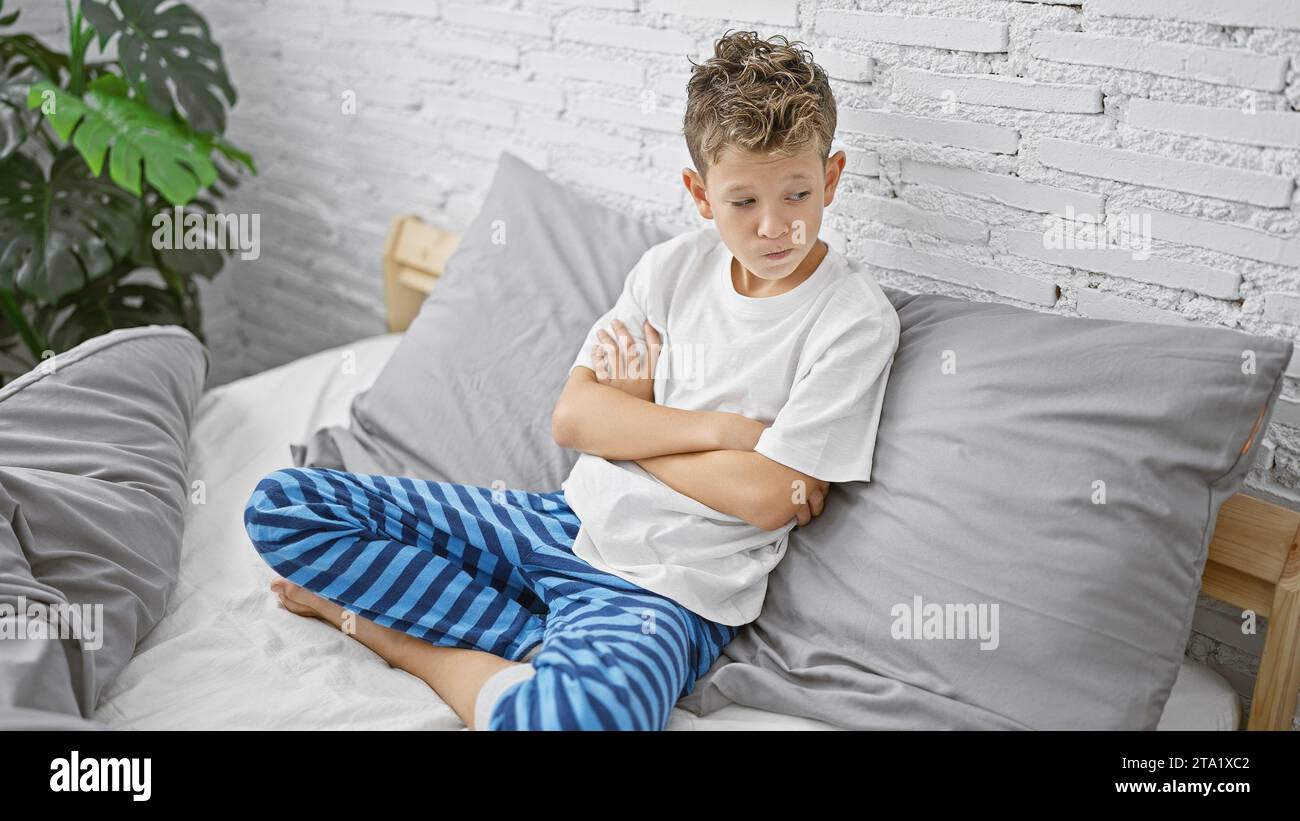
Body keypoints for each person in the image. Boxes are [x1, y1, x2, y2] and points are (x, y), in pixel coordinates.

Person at [243, 29, 901, 731]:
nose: (775, 227)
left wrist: (633, 425)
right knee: (283, 506)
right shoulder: (672, 270)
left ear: (830, 178)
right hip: (564, 522)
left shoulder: (852, 320)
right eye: (743, 202)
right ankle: (546, 640)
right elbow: (574, 419)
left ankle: (398, 639)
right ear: (699, 194)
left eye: (797, 193)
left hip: (665, 590)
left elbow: (773, 495)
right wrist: (724, 433)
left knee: (573, 722)